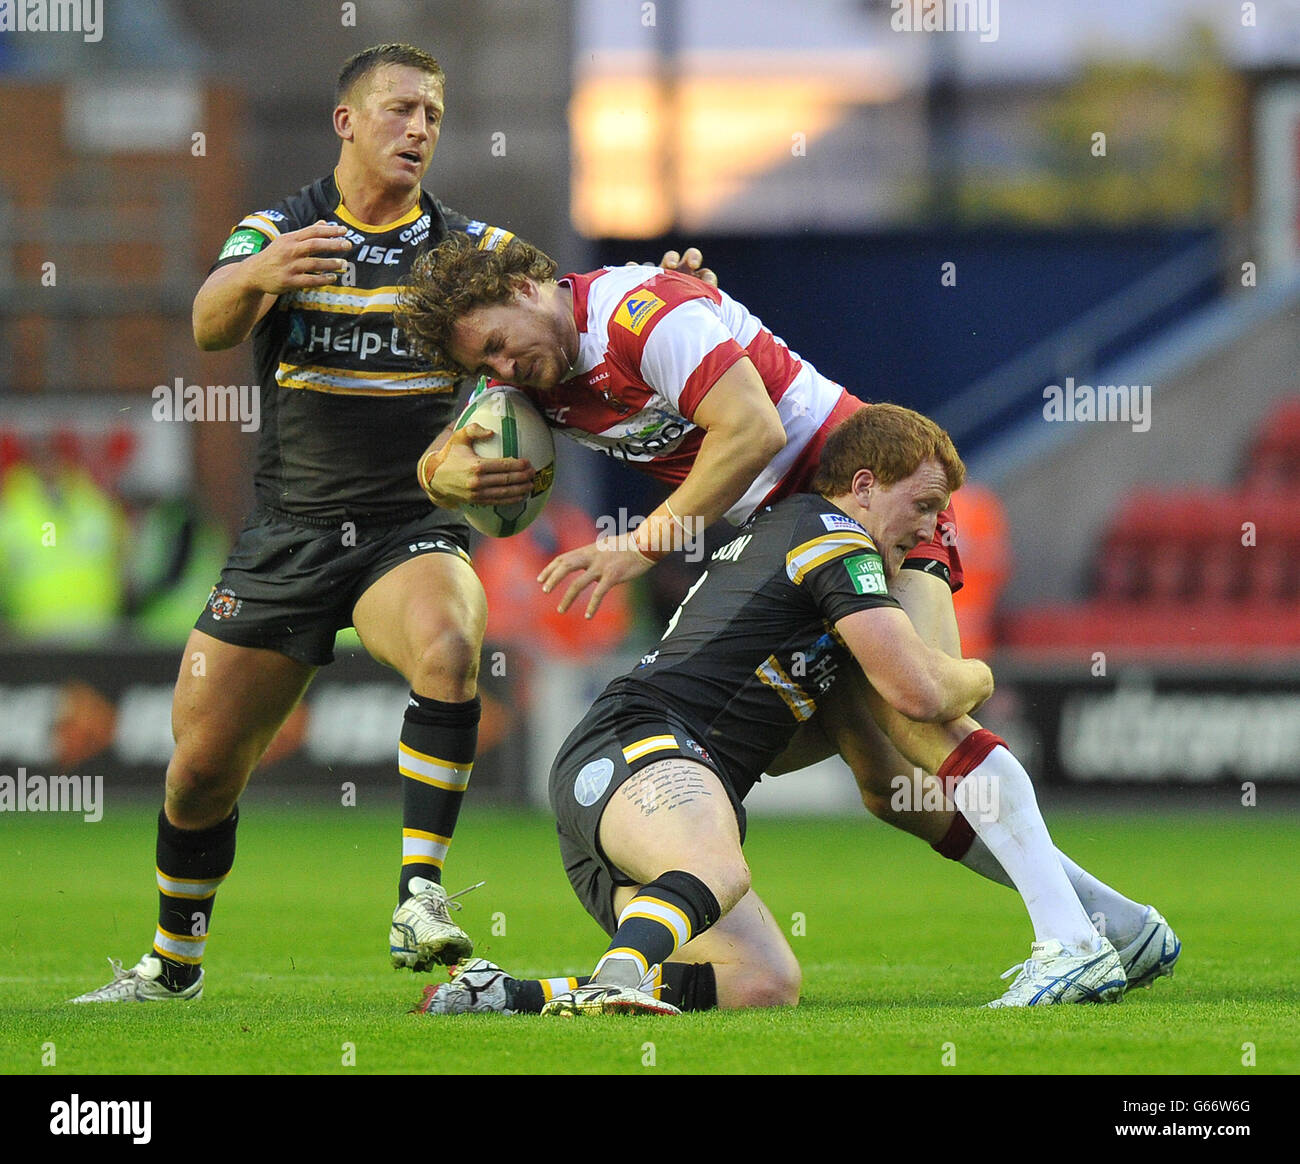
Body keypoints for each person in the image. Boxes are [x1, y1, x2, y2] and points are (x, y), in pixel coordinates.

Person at [69, 42, 701, 1005]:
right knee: (199, 770)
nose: (419, 129)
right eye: (401, 109)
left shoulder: (475, 252)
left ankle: (420, 896)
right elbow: (206, 323)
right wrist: (260, 274)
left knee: (450, 645)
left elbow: (570, 315)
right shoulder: (278, 229)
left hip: (411, 523)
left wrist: (669, 289)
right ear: (347, 122)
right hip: (288, 531)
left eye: (434, 116)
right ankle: (173, 966)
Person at [395, 234, 1181, 989]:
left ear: (528, 288)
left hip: (871, 498)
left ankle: (1067, 940)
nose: (500, 370)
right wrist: (446, 480)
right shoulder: (527, 375)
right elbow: (439, 456)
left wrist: (641, 545)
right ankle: (1121, 926)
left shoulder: (644, 314)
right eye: (482, 364)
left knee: (922, 712)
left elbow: (752, 430)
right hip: (795, 541)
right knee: (885, 785)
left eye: (499, 345)